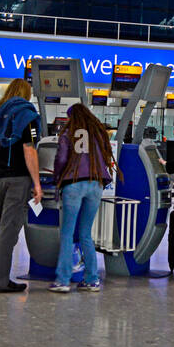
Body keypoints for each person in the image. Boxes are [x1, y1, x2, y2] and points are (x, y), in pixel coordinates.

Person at [0, 81, 40, 293]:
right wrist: (37, 183)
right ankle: (0, 280)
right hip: (18, 179)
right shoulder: (26, 115)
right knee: (8, 230)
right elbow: (29, 149)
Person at [49, 103, 114, 293]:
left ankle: (63, 280)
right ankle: (92, 280)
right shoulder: (98, 132)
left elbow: (61, 158)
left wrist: (57, 179)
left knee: (68, 233)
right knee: (86, 234)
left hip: (74, 183)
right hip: (96, 184)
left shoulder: (68, 132)